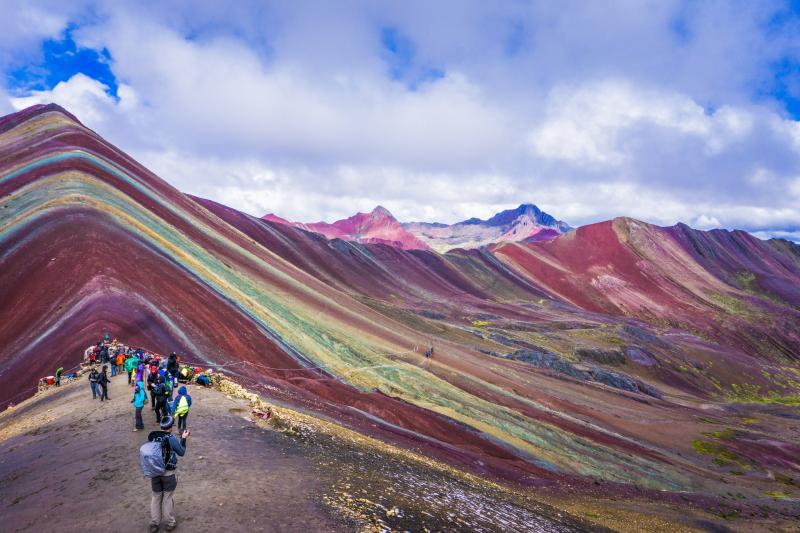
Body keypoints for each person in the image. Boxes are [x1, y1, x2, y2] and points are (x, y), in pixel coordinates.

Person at [147, 416, 189, 532]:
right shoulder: (171, 438)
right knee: (167, 498)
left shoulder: (153, 437)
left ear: (161, 426)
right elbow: (181, 452)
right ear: (171, 427)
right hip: (168, 473)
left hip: (154, 472)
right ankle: (170, 523)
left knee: (156, 497)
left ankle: (154, 524)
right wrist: (184, 438)